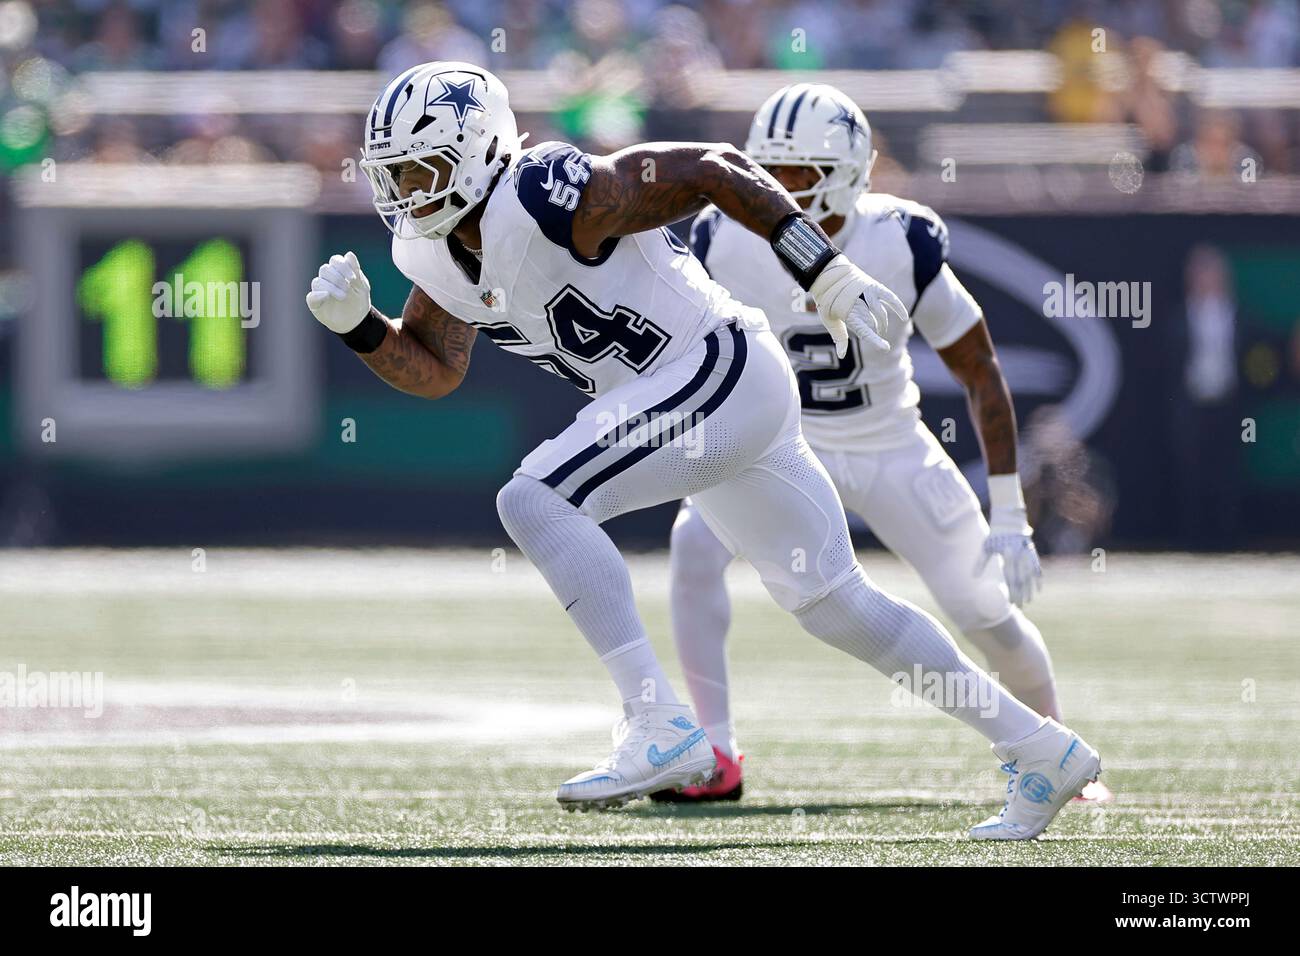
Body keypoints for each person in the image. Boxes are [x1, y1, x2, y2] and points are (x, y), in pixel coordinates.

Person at [305, 63, 1102, 838]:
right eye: (396, 173)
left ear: (479, 150)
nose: (404, 191)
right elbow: (437, 368)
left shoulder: (547, 194)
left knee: (535, 497)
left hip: (712, 368)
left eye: (420, 169)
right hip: (703, 398)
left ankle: (656, 719)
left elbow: (716, 166)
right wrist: (362, 330)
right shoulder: (438, 251)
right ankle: (1042, 749)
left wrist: (821, 272)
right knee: (835, 603)